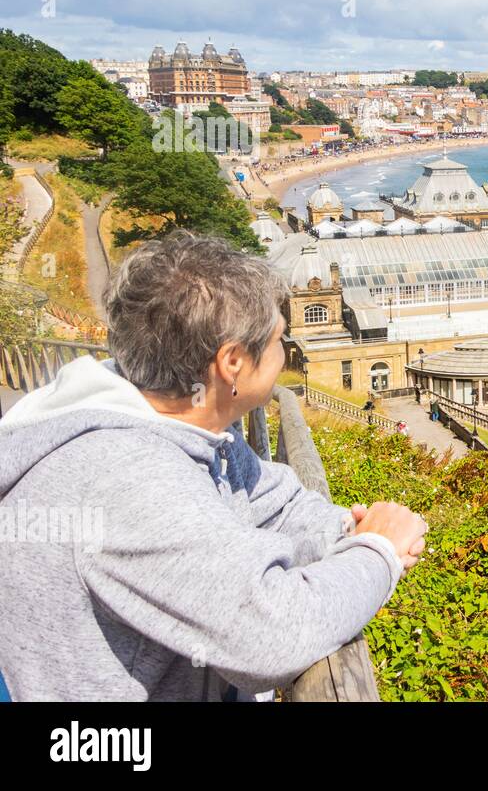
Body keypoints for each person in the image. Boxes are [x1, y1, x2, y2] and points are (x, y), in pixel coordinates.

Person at [0, 231, 427, 701]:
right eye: (279, 339)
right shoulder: (127, 480)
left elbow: (274, 503)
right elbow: (275, 633)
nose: (286, 352)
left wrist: (349, 528)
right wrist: (378, 553)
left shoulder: (178, 417)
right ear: (232, 362)